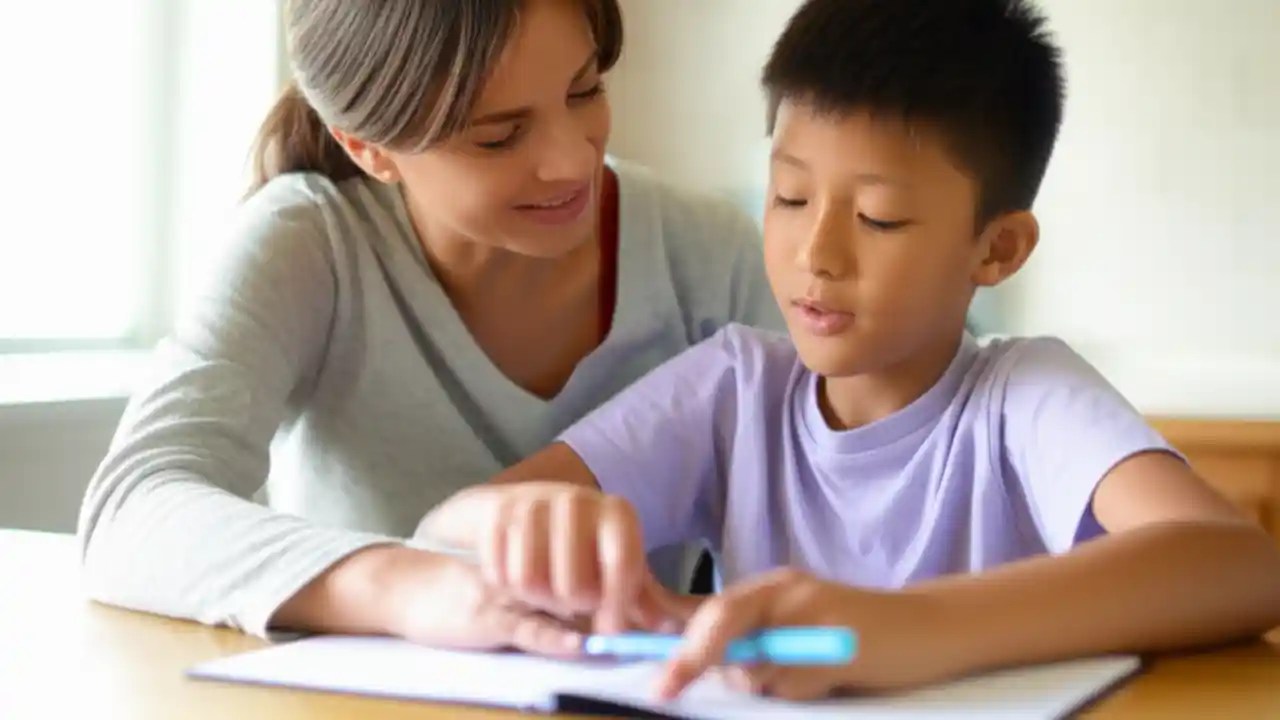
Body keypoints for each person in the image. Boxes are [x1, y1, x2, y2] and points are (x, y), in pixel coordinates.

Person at [418, 0, 1280, 701]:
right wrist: (515, 527)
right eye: (789, 196)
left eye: (878, 218)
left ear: (997, 249)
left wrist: (907, 628)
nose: (816, 254)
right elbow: (442, 534)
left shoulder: (1024, 394)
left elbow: (1244, 568)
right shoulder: (734, 387)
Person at [76, 0, 781, 653]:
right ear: (367, 148)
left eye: (584, 90)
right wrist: (411, 587)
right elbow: (130, 510)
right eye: (499, 137)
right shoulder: (311, 244)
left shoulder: (710, 253)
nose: (573, 160)